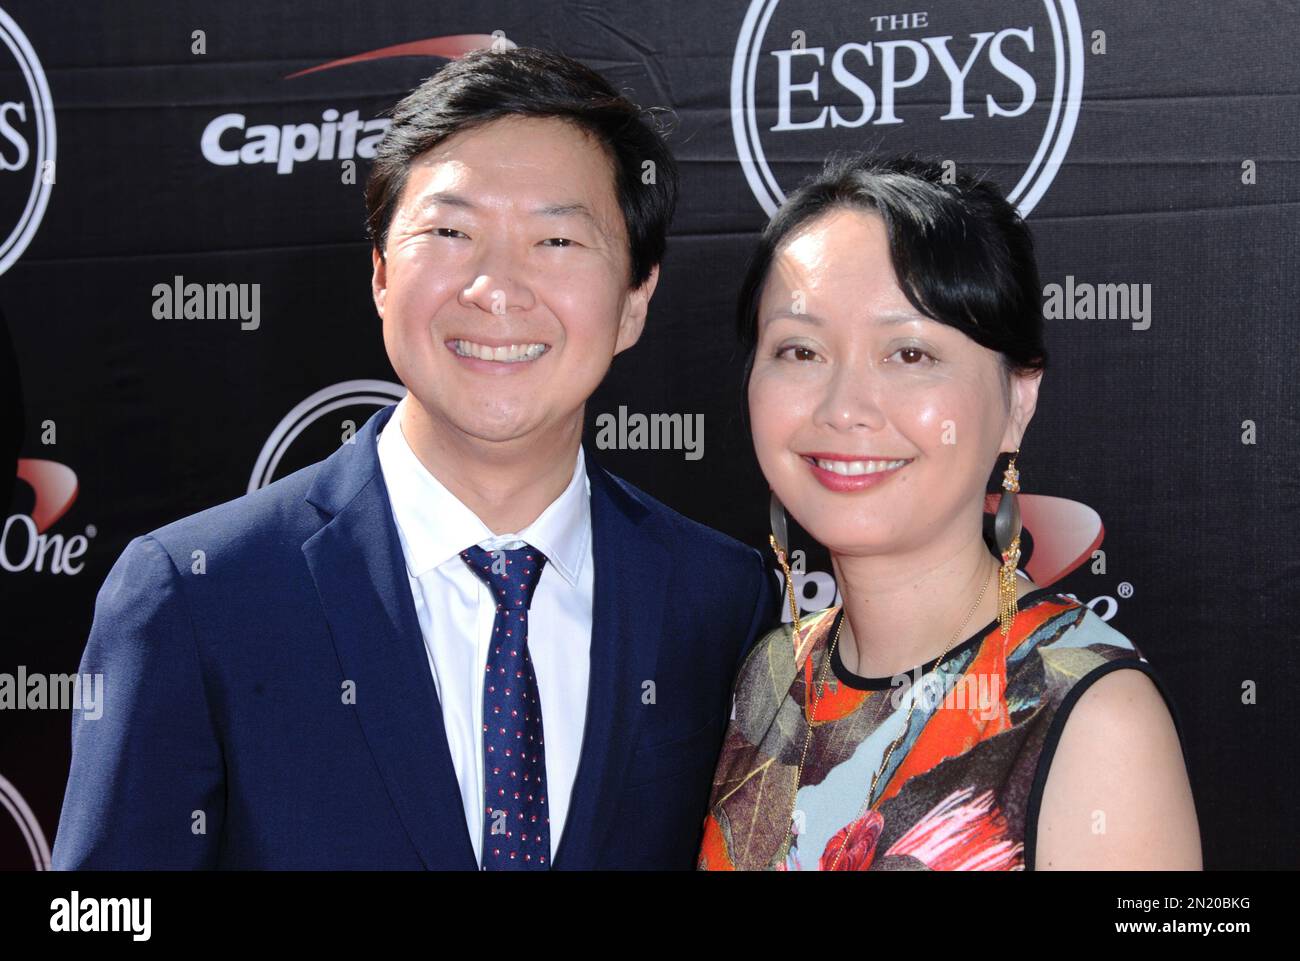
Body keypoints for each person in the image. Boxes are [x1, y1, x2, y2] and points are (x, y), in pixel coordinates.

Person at [52, 46, 778, 870]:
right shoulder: (196, 594)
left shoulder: (720, 601)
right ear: (380, 277)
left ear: (635, 302)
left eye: (557, 239)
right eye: (450, 231)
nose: (497, 287)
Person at [698, 154, 1201, 871]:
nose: (844, 409)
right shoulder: (770, 676)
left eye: (908, 352)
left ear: (1016, 401)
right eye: (800, 349)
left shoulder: (1090, 717)